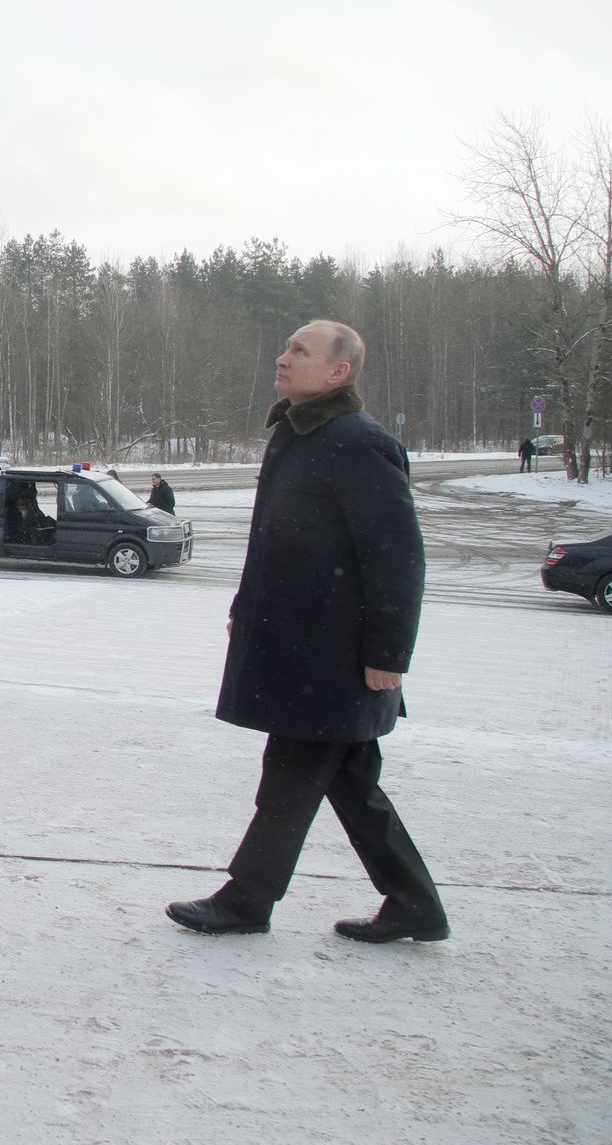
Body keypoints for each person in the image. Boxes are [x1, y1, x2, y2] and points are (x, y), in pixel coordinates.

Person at [167, 320, 447, 944]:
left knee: (290, 776)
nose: (283, 357)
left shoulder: (358, 442)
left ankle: (247, 898)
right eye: (287, 347)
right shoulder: (296, 435)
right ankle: (415, 904)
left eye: (301, 351)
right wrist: (246, 601)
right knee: (351, 783)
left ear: (338, 372)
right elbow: (274, 537)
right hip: (298, 647)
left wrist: (387, 654)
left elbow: (397, 556)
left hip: (336, 656)